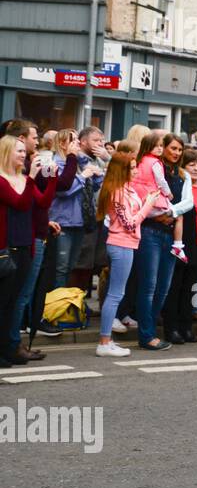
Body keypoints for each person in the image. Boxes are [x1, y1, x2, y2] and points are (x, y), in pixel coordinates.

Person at [93, 146, 162, 358]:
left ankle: (107, 340)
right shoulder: (117, 193)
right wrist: (148, 205)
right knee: (115, 294)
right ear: (122, 170)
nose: (136, 171)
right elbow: (130, 223)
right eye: (132, 168)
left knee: (117, 293)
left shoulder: (127, 189)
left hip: (127, 244)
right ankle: (104, 341)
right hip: (120, 243)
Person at [0, 134, 57, 366]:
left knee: (14, 302)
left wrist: (52, 178)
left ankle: (8, 349)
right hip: (7, 248)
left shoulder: (23, 178)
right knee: (4, 303)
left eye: (25, 151)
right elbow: (20, 203)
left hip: (26, 245)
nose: (24, 155)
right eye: (19, 151)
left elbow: (42, 203)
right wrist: (32, 177)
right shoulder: (2, 180)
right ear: (6, 152)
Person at [132, 132, 182, 351]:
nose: (170, 151)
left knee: (163, 287)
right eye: (164, 146)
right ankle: (146, 334)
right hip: (150, 230)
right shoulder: (150, 165)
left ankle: (150, 328)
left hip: (170, 232)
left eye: (178, 149)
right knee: (149, 286)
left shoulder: (180, 173)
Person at [163, 149, 197, 344]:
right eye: (191, 164)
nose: (196, 168)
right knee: (175, 288)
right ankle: (172, 329)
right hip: (182, 245)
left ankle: (187, 328)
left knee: (191, 289)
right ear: (184, 166)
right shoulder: (179, 187)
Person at [48, 126, 107, 294]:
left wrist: (97, 176)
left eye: (76, 140)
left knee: (72, 266)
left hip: (80, 221)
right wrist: (83, 176)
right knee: (61, 267)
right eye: (72, 141)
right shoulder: (55, 163)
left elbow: (91, 189)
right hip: (62, 222)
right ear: (62, 143)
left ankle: (68, 304)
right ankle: (56, 306)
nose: (76, 144)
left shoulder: (81, 162)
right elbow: (63, 190)